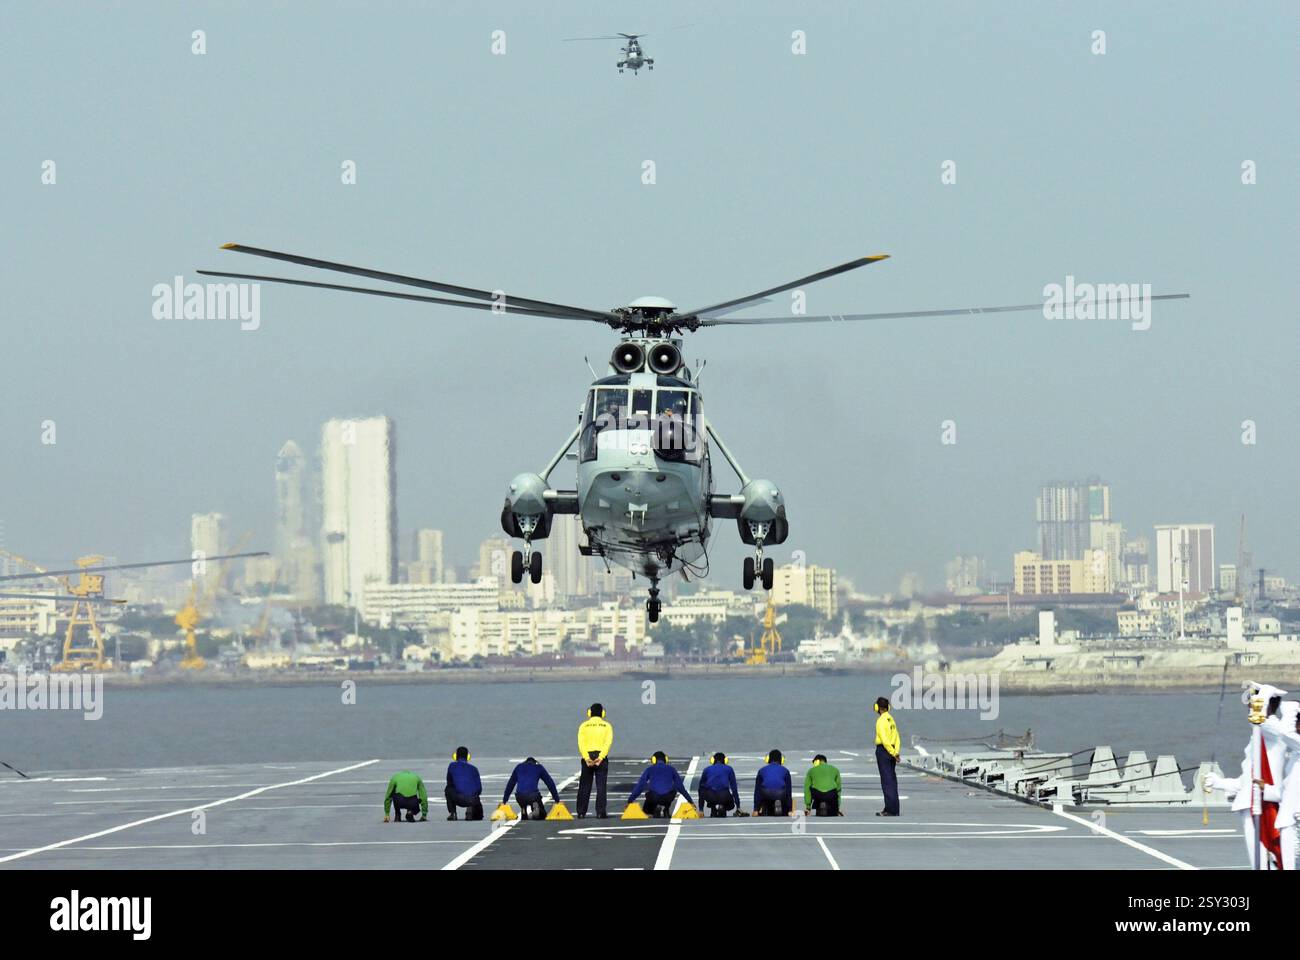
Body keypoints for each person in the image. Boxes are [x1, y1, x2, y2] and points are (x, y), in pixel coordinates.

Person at [1207, 683, 1288, 868]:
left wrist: (1264, 693)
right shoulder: (1258, 735)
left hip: (1267, 802)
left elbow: (1258, 720)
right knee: (1258, 862)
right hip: (1251, 801)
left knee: (1270, 858)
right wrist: (1219, 783)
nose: (1250, 708)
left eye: (1254, 703)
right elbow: (1247, 781)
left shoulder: (1274, 729)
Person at [628, 751, 695, 818]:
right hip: (668, 798)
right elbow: (680, 788)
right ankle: (666, 809)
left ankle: (654, 809)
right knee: (672, 791)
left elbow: (640, 786)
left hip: (654, 797)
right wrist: (690, 801)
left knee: (649, 794)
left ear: (654, 760)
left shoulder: (649, 769)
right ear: (666, 759)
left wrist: (630, 800)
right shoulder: (671, 769)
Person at [576, 702, 613, 818]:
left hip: (587, 756)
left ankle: (581, 812)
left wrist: (586, 758)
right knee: (601, 786)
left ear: (589, 713)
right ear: (603, 713)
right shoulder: (607, 726)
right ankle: (600, 812)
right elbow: (608, 743)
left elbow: (581, 743)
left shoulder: (583, 726)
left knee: (584, 786)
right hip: (601, 758)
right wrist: (600, 757)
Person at [503, 756, 561, 820]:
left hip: (519, 797)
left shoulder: (518, 767)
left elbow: (510, 784)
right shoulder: (539, 767)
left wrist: (505, 800)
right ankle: (534, 811)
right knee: (542, 815)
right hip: (533, 796)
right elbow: (550, 783)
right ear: (535, 762)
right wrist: (557, 800)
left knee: (523, 803)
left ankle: (523, 809)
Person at [874, 696, 901, 817]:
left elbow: (884, 740)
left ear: (877, 708)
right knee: (892, 780)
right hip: (892, 750)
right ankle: (894, 808)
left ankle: (889, 810)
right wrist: (896, 752)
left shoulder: (881, 721)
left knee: (887, 780)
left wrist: (892, 752)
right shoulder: (891, 719)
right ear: (888, 707)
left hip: (884, 751)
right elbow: (897, 737)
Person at [698, 752, 743, 817]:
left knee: (704, 790)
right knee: (730, 804)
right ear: (725, 760)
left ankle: (713, 807)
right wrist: (738, 806)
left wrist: (701, 809)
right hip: (724, 796)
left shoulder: (707, 769)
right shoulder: (729, 769)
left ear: (713, 760)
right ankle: (722, 806)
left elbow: (701, 788)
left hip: (710, 796)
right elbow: (734, 788)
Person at [445, 746, 484, 821]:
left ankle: (453, 813)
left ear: (456, 756)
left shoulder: (452, 766)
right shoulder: (474, 769)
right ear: (467, 757)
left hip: (459, 798)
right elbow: (479, 789)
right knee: (479, 816)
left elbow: (449, 782)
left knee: (448, 789)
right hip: (473, 799)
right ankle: (471, 809)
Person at [753, 749, 793, 816]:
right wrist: (790, 809)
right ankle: (782, 806)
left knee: (761, 790)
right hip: (781, 793)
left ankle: (764, 808)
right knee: (785, 792)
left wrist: (756, 809)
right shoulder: (785, 770)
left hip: (766, 793)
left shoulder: (761, 770)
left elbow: (757, 791)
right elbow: (789, 790)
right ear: (780, 759)